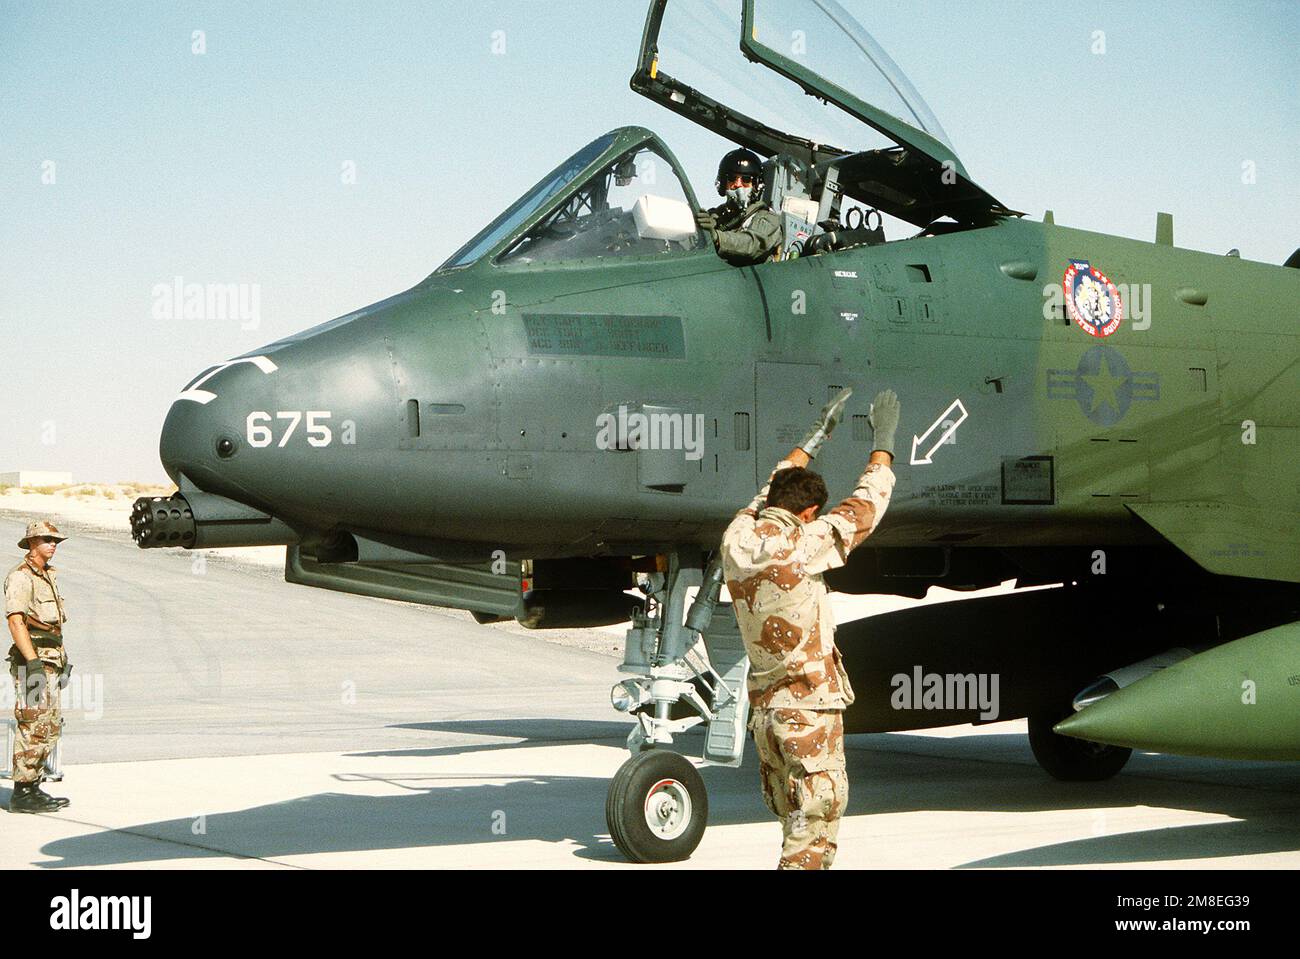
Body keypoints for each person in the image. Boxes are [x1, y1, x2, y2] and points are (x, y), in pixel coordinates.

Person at [720, 388, 901, 868]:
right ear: (807, 515)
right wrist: (883, 441)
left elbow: (768, 492)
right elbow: (866, 506)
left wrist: (816, 436)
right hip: (808, 710)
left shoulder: (736, 540)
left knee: (794, 827)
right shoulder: (805, 542)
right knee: (813, 830)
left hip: (766, 716)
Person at [5, 520, 72, 813]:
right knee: (32, 722)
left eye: (55, 540)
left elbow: (52, 627)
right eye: (46, 539)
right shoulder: (21, 577)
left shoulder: (47, 576)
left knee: (49, 724)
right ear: (32, 543)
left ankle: (33, 786)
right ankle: (22, 792)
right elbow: (16, 621)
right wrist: (32, 662)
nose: (53, 544)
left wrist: (63, 660)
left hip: (50, 659)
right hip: (34, 661)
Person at [695, 147, 783, 266]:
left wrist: (717, 237)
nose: (737, 185)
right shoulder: (717, 215)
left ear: (757, 186)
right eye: (731, 178)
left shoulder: (768, 218)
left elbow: (751, 244)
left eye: (746, 180)